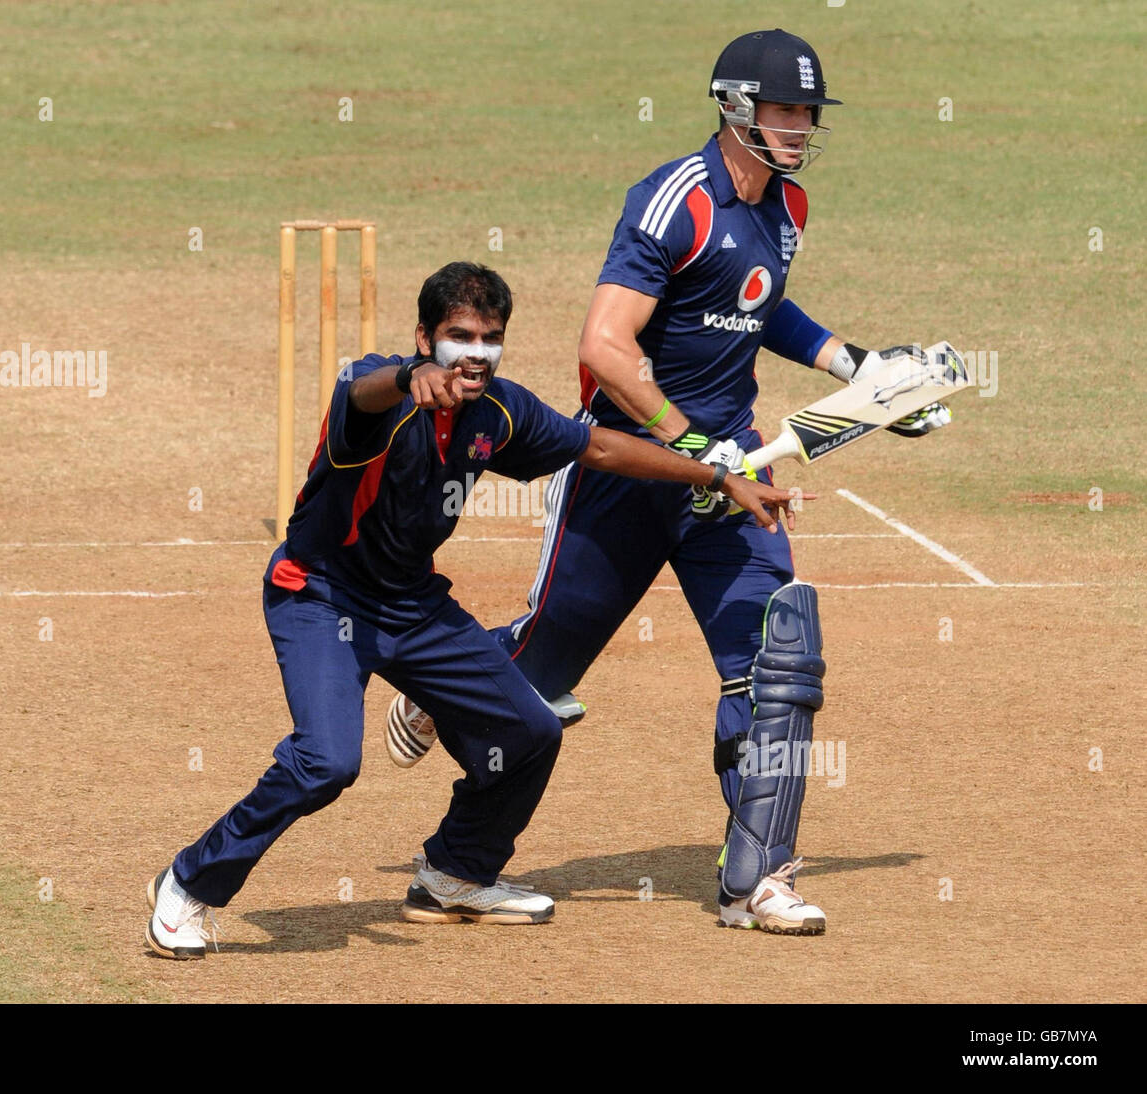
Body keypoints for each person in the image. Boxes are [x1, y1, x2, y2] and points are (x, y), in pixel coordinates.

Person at [383, 30, 952, 936]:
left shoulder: (788, 206)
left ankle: (757, 881)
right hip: (627, 466)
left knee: (775, 663)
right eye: (784, 109)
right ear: (735, 106)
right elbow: (603, 349)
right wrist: (693, 444)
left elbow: (762, 303)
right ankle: (446, 749)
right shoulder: (672, 202)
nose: (800, 126)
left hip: (731, 478)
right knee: (537, 681)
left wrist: (863, 372)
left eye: (808, 112)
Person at [144, 261, 804, 959]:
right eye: (459, 336)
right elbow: (359, 391)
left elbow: (601, 447)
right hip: (319, 596)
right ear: (425, 336)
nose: (476, 352)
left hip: (413, 604)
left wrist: (720, 477)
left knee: (531, 730)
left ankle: (456, 872)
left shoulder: (499, 412)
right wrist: (406, 379)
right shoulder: (382, 398)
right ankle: (188, 883)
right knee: (326, 761)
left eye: (490, 337)